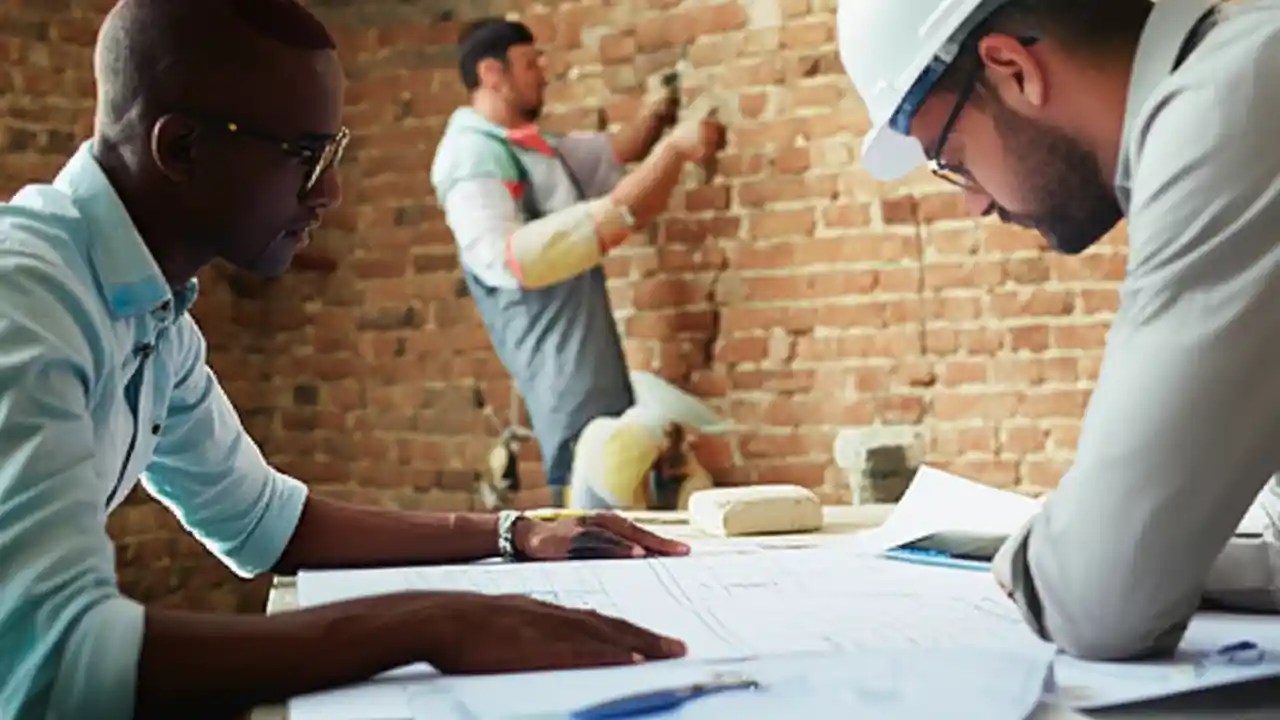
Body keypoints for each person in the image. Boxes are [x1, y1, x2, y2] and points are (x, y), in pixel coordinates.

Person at [0, 2, 693, 719]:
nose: (328, 192)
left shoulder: (152, 310)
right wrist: (429, 623)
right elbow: (57, 661)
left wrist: (511, 533)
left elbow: (266, 521)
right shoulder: (24, 297)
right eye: (306, 156)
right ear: (180, 150)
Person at [839, 0, 1279, 661]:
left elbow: (1101, 604)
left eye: (952, 157)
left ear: (1013, 68)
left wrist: (1052, 560)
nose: (976, 202)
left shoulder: (1229, 112)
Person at [430, 19, 726, 508]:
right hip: (561, 385)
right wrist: (674, 151)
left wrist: (656, 115)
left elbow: (613, 152)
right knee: (589, 524)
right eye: (530, 63)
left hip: (596, 378)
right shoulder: (470, 157)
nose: (544, 73)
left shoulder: (531, 147)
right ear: (491, 73)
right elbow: (511, 260)